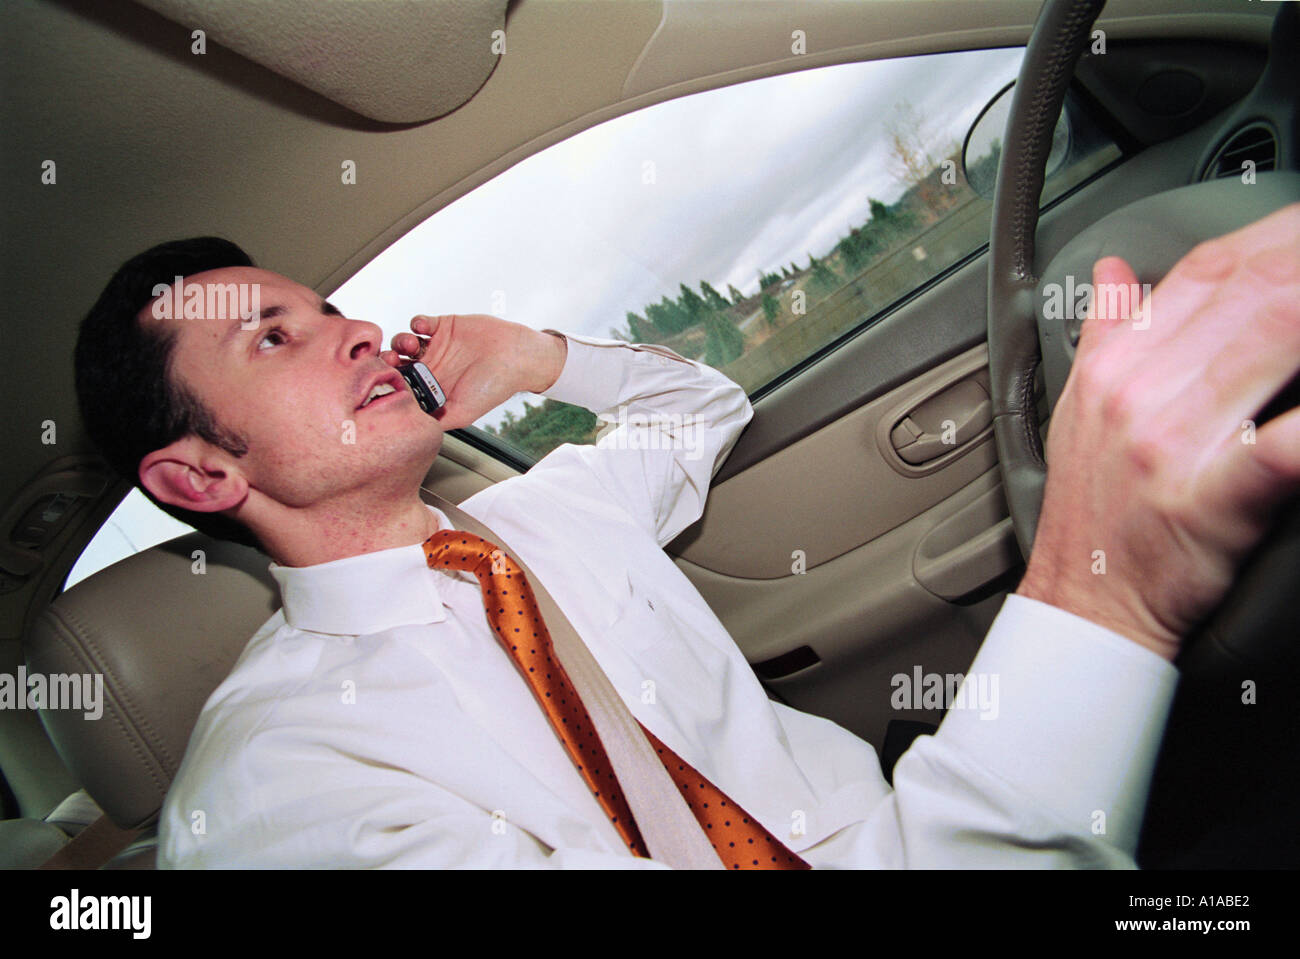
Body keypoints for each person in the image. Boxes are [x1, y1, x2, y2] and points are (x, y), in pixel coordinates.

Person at [72, 204, 1300, 868]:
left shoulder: (546, 509)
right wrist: (1110, 598)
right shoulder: (276, 792)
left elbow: (702, 406)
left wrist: (539, 359)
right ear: (197, 470)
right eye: (273, 339)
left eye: (331, 308)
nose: (350, 331)